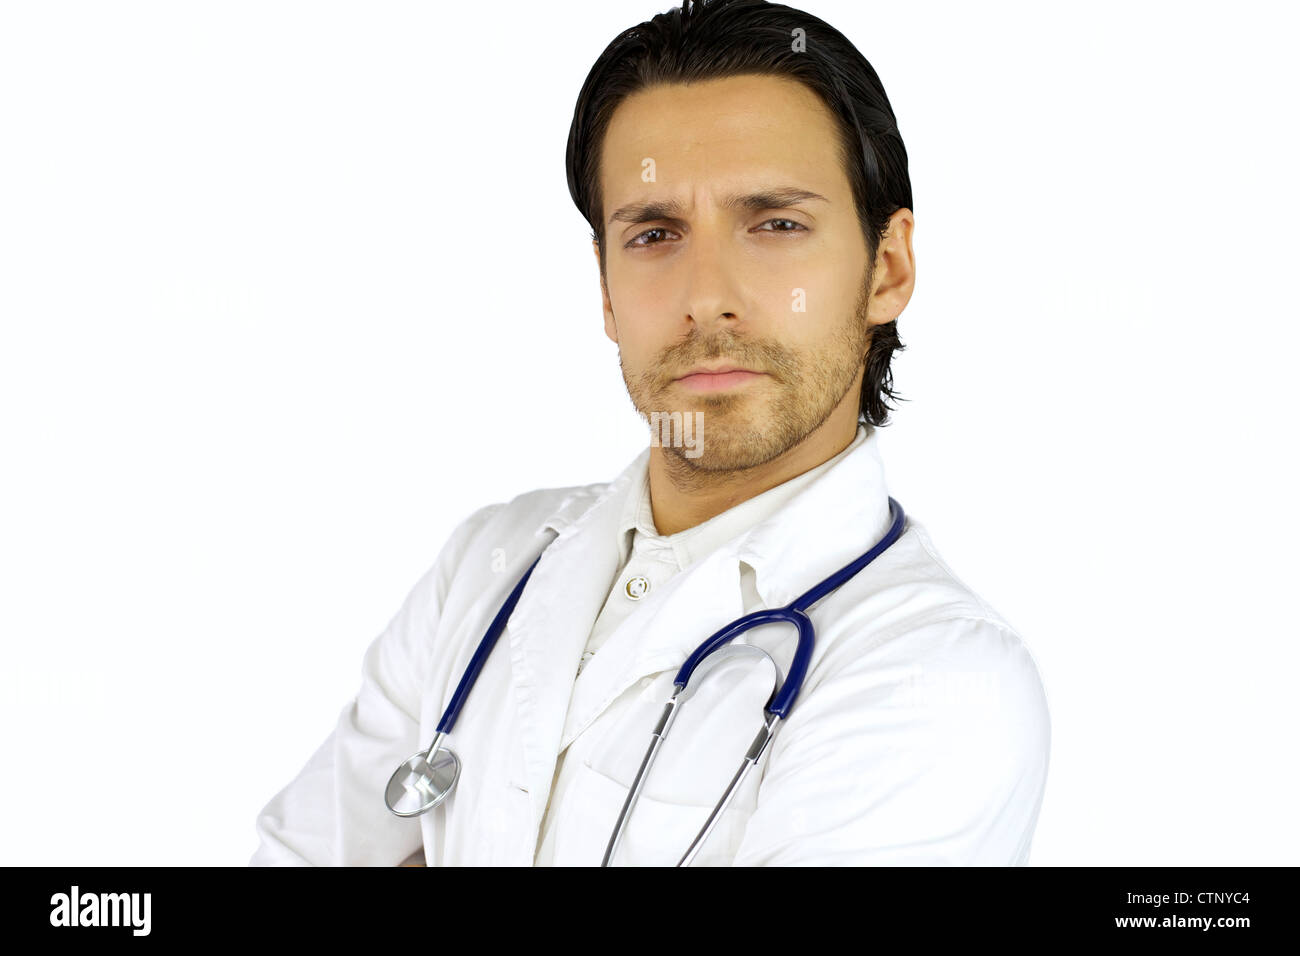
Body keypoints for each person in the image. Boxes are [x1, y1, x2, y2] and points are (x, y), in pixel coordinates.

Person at [250, 0, 1050, 867]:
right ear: (604, 288)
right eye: (656, 233)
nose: (706, 294)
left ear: (887, 269)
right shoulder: (487, 566)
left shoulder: (938, 679)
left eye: (775, 224)